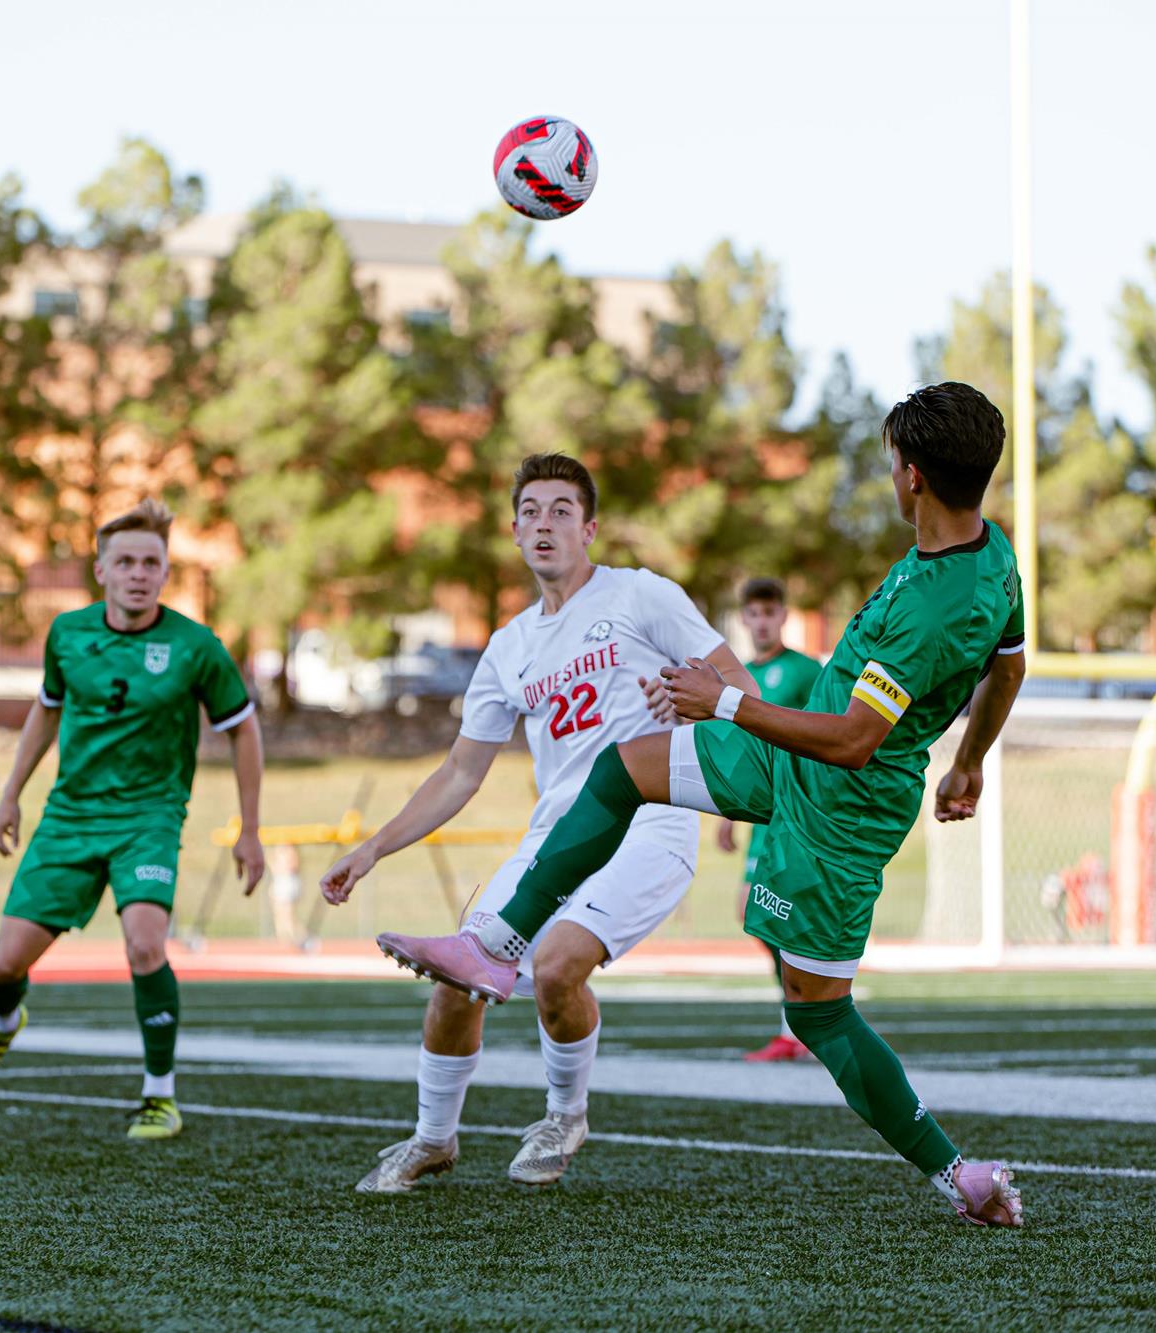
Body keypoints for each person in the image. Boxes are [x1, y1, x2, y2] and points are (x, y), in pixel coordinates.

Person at [379, 383, 1029, 1226]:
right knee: (625, 768)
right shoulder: (993, 551)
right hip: (790, 750)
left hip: (840, 802)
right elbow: (1009, 664)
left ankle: (957, 1175)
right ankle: (495, 946)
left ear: (911, 477)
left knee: (816, 1013)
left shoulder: (930, 612)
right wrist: (969, 761)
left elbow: (851, 742)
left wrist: (719, 702)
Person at [321, 453, 753, 1192]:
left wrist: (692, 697)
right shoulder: (508, 647)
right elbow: (461, 771)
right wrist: (373, 847)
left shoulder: (641, 595)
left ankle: (564, 1114)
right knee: (458, 973)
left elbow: (735, 683)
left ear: (589, 527)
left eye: (560, 509)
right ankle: (433, 1138)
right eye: (530, 510)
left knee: (555, 962)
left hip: (652, 824)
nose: (544, 522)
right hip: (554, 835)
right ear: (514, 532)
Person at [0, 499, 266, 1140]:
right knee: (6, 965)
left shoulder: (196, 647)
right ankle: (5, 1024)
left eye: (151, 563)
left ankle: (159, 1096)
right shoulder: (67, 634)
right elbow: (45, 709)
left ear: (165, 572)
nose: (138, 573)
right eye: (124, 561)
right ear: (101, 570)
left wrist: (250, 829)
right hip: (68, 818)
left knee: (146, 943)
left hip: (148, 819)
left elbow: (243, 730)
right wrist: (11, 793)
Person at [715, 577, 821, 1061]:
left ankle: (800, 1022)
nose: (761, 621)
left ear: (783, 616)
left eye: (770, 612)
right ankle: (800, 1017)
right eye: (753, 613)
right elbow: (743, 742)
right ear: (744, 619)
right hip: (760, 810)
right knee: (756, 916)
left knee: (770, 913)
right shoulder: (741, 675)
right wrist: (726, 813)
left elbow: (827, 726)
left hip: (794, 808)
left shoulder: (803, 670)